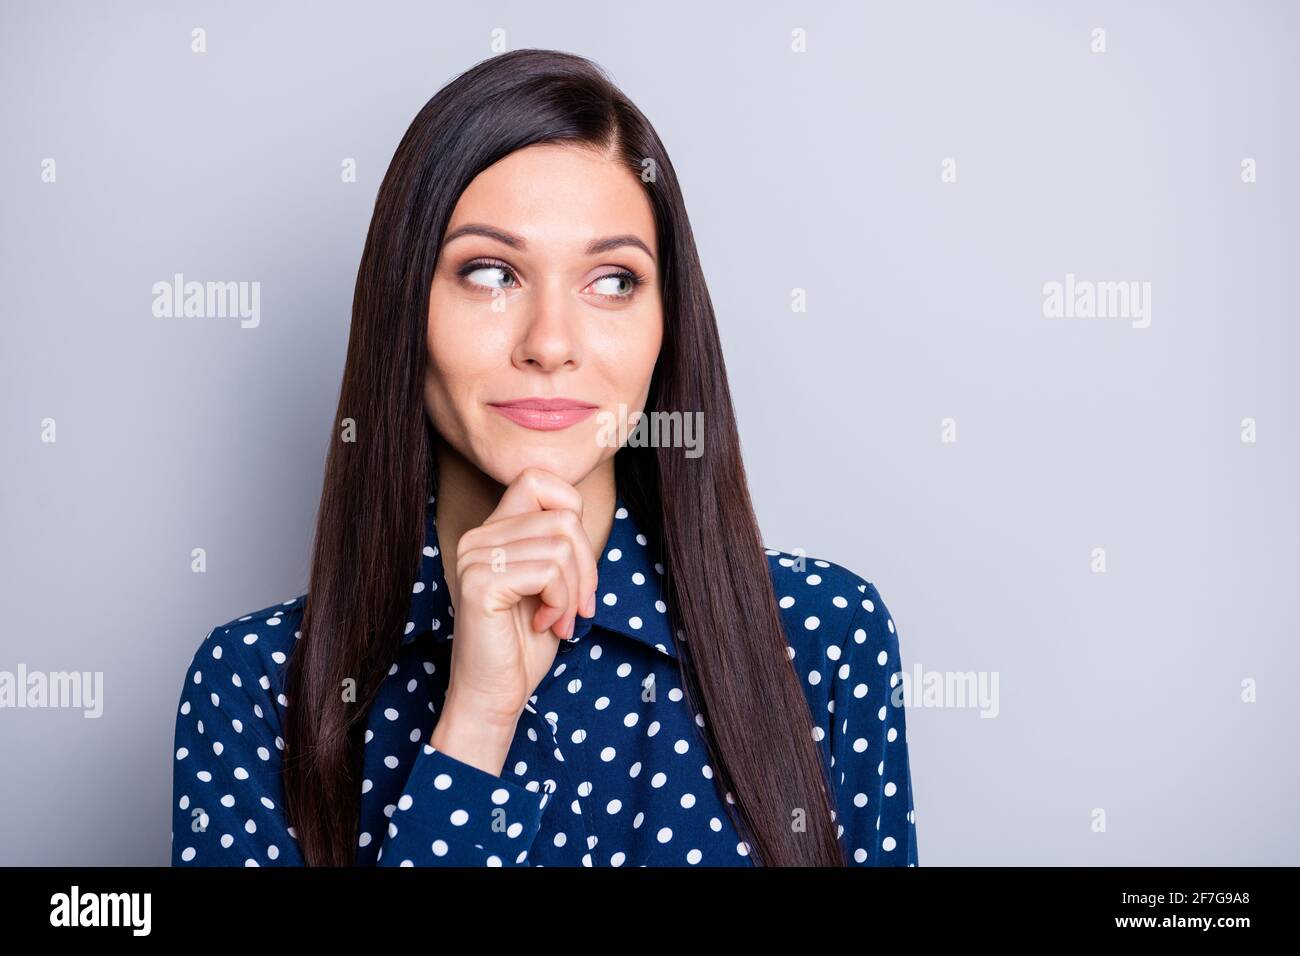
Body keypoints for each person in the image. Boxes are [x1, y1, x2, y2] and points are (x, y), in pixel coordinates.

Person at [170, 48, 917, 867]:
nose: (551, 344)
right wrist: (474, 723)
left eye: (613, 280)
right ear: (403, 305)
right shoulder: (255, 688)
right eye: (491, 273)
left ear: (669, 322)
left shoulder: (818, 640)